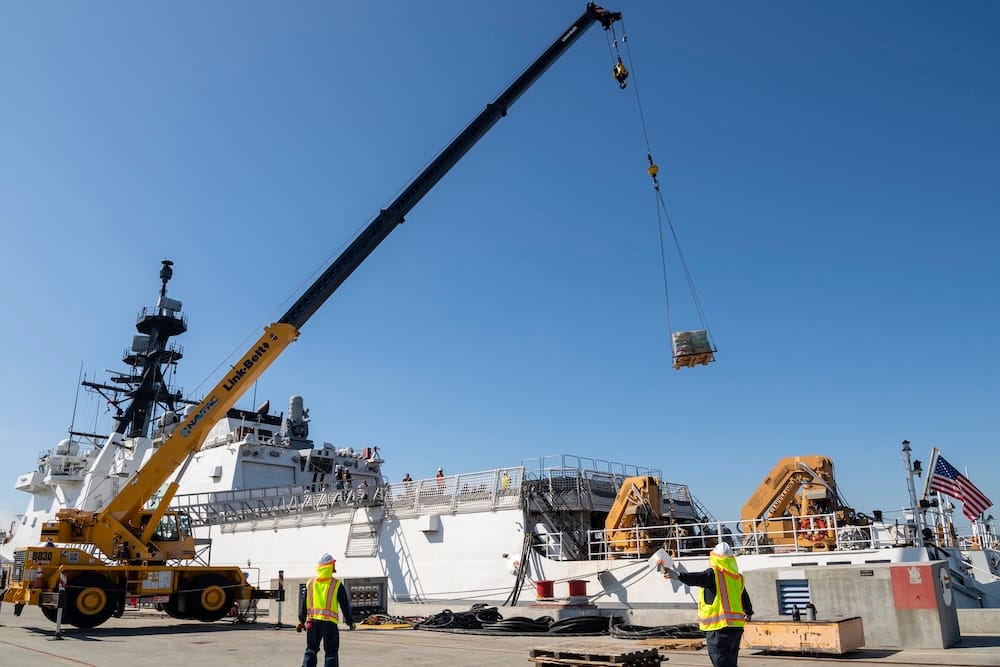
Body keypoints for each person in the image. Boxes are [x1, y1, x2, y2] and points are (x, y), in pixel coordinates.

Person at [664, 542, 752, 667]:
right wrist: (749, 612)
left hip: (718, 628)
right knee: (730, 660)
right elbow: (745, 598)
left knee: (720, 658)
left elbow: (697, 578)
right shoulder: (737, 577)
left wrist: (679, 576)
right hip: (736, 628)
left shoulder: (714, 574)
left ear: (714, 557)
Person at [299, 553, 355, 667]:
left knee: (311, 650)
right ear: (329, 566)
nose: (335, 566)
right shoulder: (336, 584)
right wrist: (350, 622)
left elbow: (303, 603)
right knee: (331, 653)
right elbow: (344, 605)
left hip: (312, 623)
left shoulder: (310, 582)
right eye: (333, 564)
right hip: (329, 624)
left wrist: (301, 620)